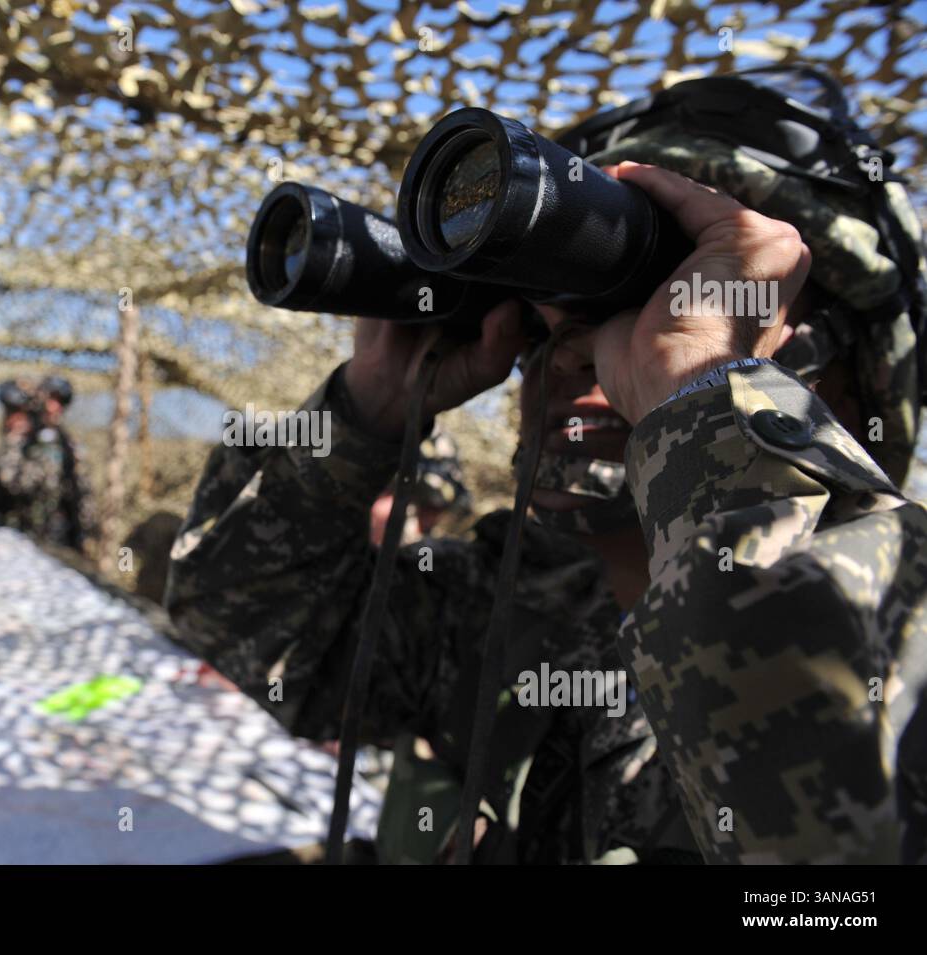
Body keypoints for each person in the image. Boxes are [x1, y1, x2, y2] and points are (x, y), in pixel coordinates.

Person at [166, 116, 927, 860]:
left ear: (860, 378)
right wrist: (369, 410)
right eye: (546, 327)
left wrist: (706, 384)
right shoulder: (502, 603)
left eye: (669, 299)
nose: (570, 360)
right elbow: (251, 625)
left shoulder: (902, 631)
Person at [0, 375, 92, 551]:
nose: (54, 407)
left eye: (59, 402)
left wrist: (84, 533)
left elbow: (82, 492)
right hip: (21, 534)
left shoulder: (68, 444)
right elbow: (11, 485)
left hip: (56, 537)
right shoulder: (25, 440)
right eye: (50, 399)